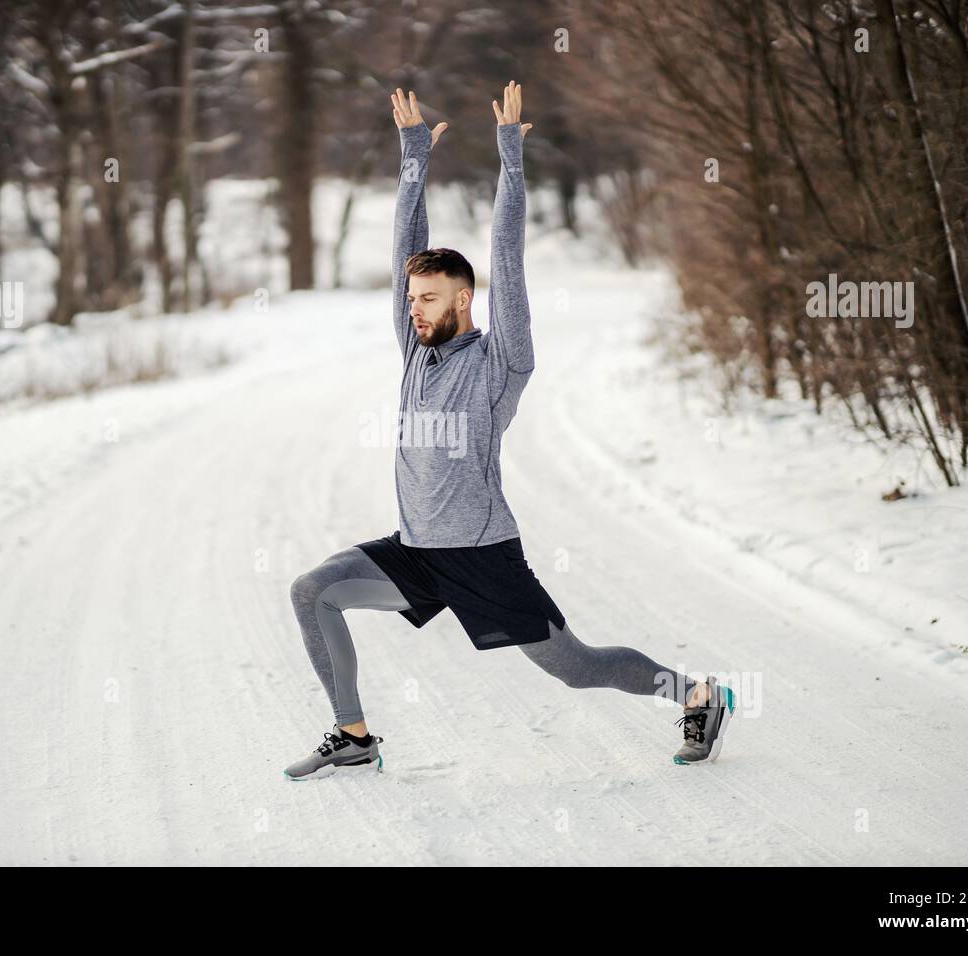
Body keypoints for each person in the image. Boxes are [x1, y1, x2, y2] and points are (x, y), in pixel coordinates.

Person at [284, 82, 735, 781]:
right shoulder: (416, 352)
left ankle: (699, 695)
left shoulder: (502, 360)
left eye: (429, 298)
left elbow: (510, 260)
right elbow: (407, 247)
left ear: (464, 299)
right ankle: (354, 735)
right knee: (312, 590)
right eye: (411, 299)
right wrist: (412, 159)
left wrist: (511, 164)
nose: (415, 310)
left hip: (484, 556)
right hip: (417, 552)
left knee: (578, 668)